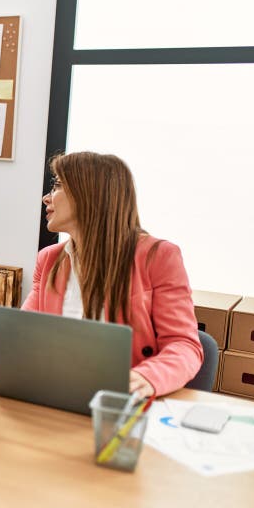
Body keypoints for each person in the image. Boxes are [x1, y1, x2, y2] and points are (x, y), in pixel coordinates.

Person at [22, 151, 202, 397]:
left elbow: (184, 345)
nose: (46, 198)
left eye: (57, 186)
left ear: (90, 194)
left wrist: (147, 377)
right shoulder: (49, 258)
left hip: (120, 402)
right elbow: (24, 334)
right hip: (58, 393)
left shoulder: (159, 257)